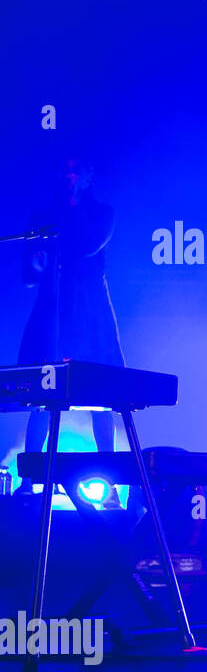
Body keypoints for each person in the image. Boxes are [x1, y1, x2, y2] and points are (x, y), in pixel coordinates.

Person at [14, 157, 124, 505]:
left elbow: (85, 245)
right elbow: (29, 275)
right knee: (43, 396)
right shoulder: (42, 216)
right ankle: (30, 483)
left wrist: (73, 202)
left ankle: (108, 484)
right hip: (52, 310)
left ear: (90, 176)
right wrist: (34, 266)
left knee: (100, 397)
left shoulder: (103, 214)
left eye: (77, 170)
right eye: (65, 170)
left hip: (89, 312)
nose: (70, 175)